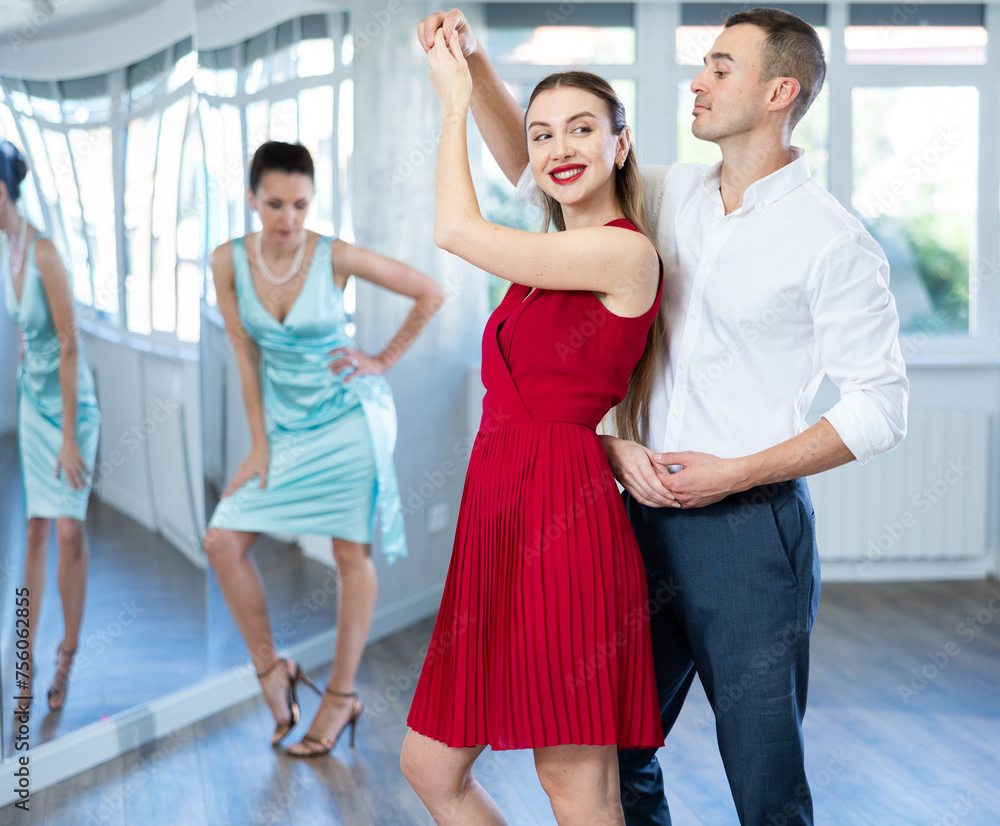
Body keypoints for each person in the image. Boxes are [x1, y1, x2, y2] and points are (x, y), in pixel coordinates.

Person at [417, 7, 908, 826]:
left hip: (748, 533)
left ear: (779, 90)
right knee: (619, 753)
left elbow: (882, 408)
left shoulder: (832, 240)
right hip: (632, 520)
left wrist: (735, 471)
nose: (699, 79)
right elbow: (529, 162)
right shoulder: (672, 191)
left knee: (762, 775)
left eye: (721, 67)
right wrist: (474, 69)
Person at [400, 30, 665, 826]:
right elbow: (517, 156)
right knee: (429, 764)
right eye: (542, 133)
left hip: (565, 516)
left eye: (582, 127)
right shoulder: (553, 248)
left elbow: (456, 233)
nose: (557, 147)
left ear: (621, 145)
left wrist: (450, 107)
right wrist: (474, 62)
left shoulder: (626, 256)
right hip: (498, 509)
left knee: (575, 783)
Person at [203, 141, 444, 757]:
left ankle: (340, 696)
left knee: (348, 552)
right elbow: (244, 354)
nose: (289, 218)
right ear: (253, 199)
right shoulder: (227, 262)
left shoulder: (333, 255)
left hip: (349, 420)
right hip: (284, 428)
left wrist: (380, 360)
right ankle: (271, 670)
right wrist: (259, 445)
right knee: (222, 541)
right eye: (276, 204)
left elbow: (430, 291)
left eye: (301, 204)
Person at [1, 139, 101, 712]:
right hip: (31, 400)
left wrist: (67, 436)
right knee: (35, 532)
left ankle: (67, 651)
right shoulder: (4, 247)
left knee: (68, 532)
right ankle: (24, 659)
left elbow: (68, 346)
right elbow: (27, 327)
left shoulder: (44, 251)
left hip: (70, 408)